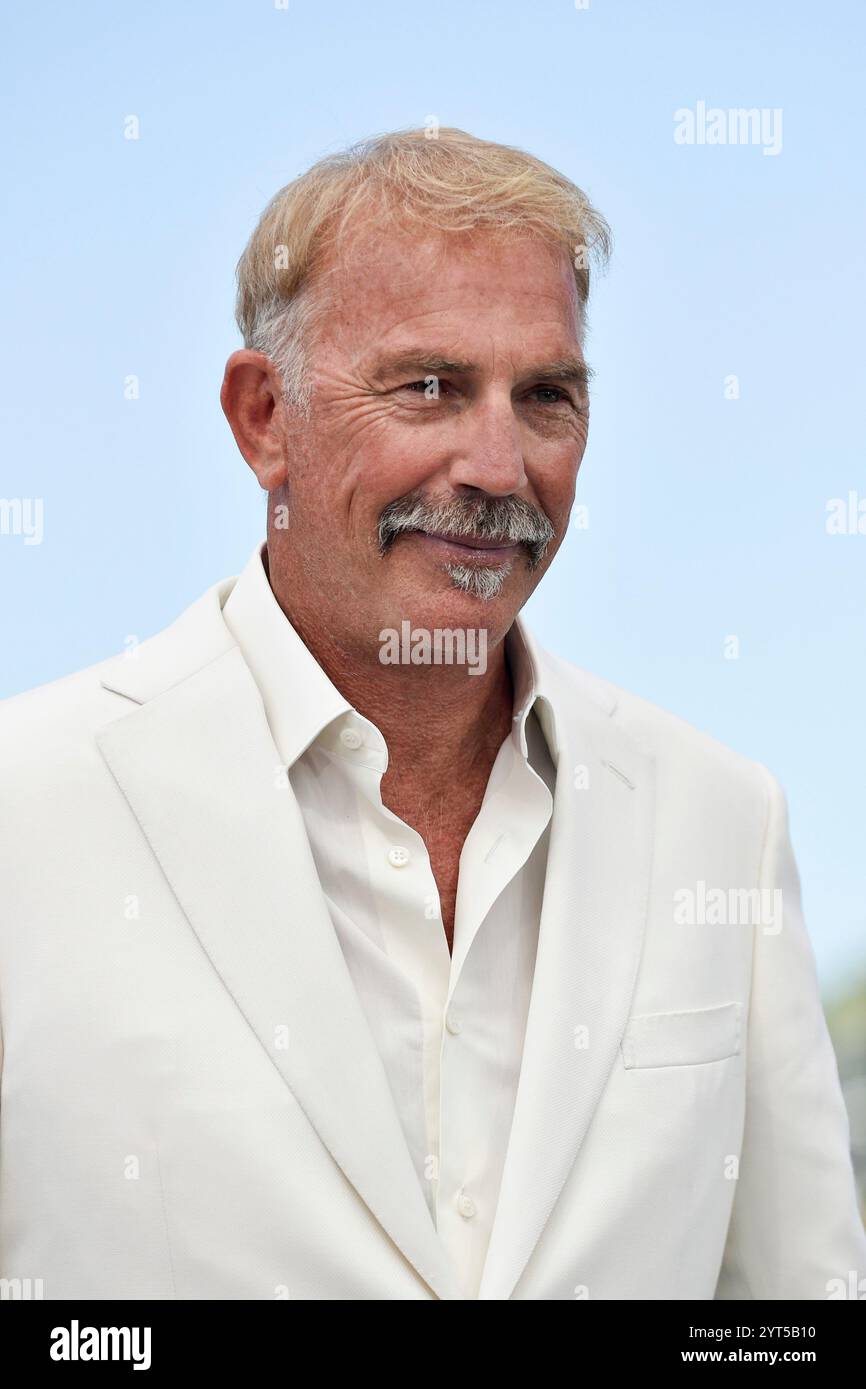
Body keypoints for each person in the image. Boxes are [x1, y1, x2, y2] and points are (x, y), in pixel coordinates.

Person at [1, 128, 863, 1301]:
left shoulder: (719, 818)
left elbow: (794, 1310)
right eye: (428, 387)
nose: (498, 466)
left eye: (546, 396)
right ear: (263, 419)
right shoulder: (28, 808)